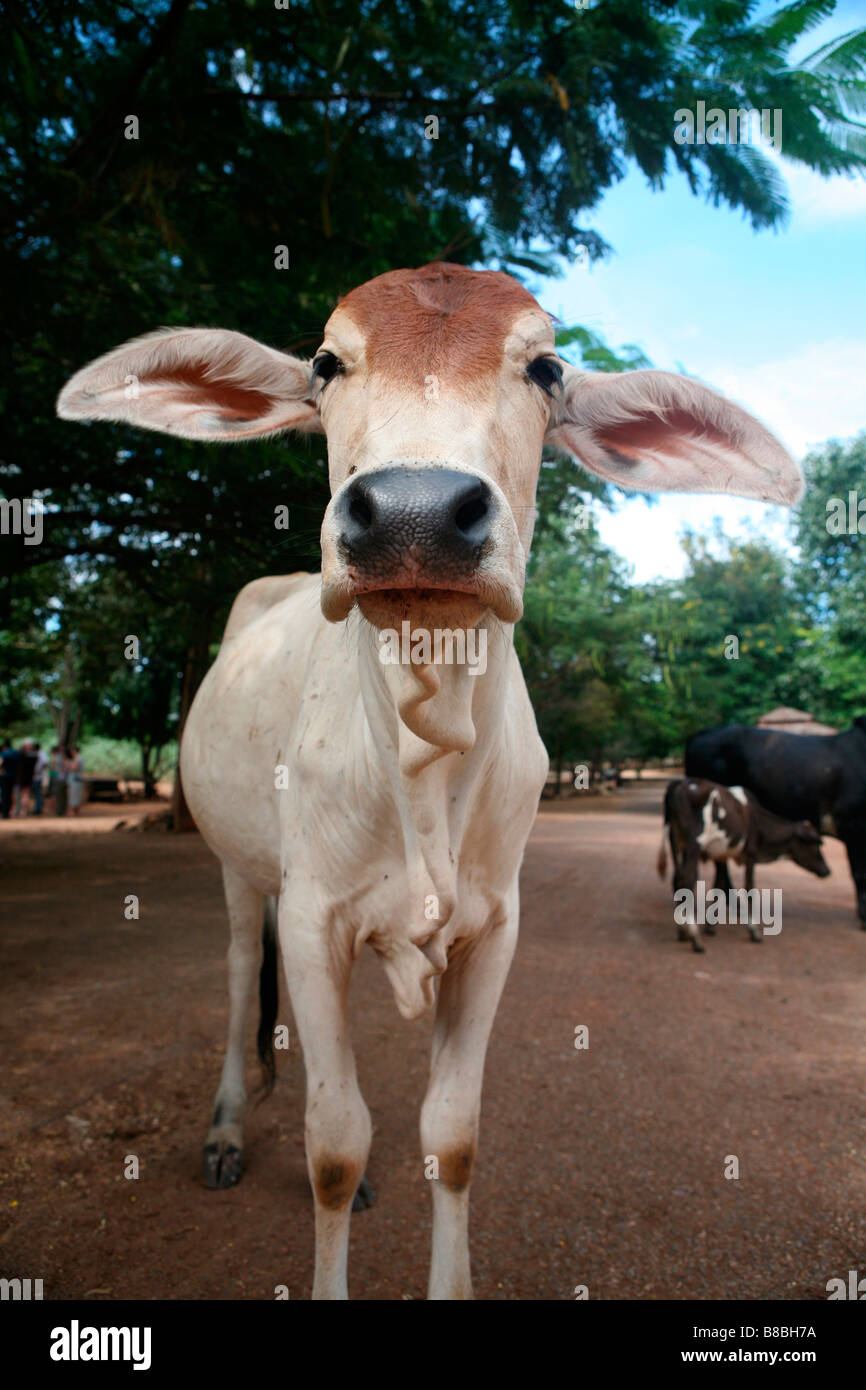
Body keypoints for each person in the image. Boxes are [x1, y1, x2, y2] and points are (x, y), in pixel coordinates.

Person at [15, 741, 37, 817]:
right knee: (26, 794)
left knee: (24, 795)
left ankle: (22, 811)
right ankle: (24, 811)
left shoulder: (21, 755)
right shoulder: (34, 755)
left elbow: (18, 766)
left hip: (23, 777)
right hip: (29, 777)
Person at [1, 740, 21, 819]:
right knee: (10, 794)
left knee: (4, 795)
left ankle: (5, 812)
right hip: (13, 776)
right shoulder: (16, 753)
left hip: (4, 776)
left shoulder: (4, 753)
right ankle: (9, 812)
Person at [65, 746, 84, 816]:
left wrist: (68, 766)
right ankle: (76, 812)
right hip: (75, 780)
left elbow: (75, 768)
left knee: (74, 796)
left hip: (75, 780)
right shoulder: (77, 758)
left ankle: (73, 812)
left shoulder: (78, 758)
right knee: (75, 796)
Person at [49, 745, 67, 816]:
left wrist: (52, 777)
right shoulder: (60, 757)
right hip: (59, 777)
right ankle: (59, 810)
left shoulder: (57, 757)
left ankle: (58, 810)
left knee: (57, 794)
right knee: (59, 795)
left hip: (58, 778)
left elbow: (53, 768)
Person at [31, 743, 47, 816]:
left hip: (39, 777)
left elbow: (45, 764)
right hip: (35, 777)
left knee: (38, 793)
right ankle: (37, 808)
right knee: (36, 794)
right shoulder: (35, 754)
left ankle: (38, 809)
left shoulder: (41, 754)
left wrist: (39, 771)